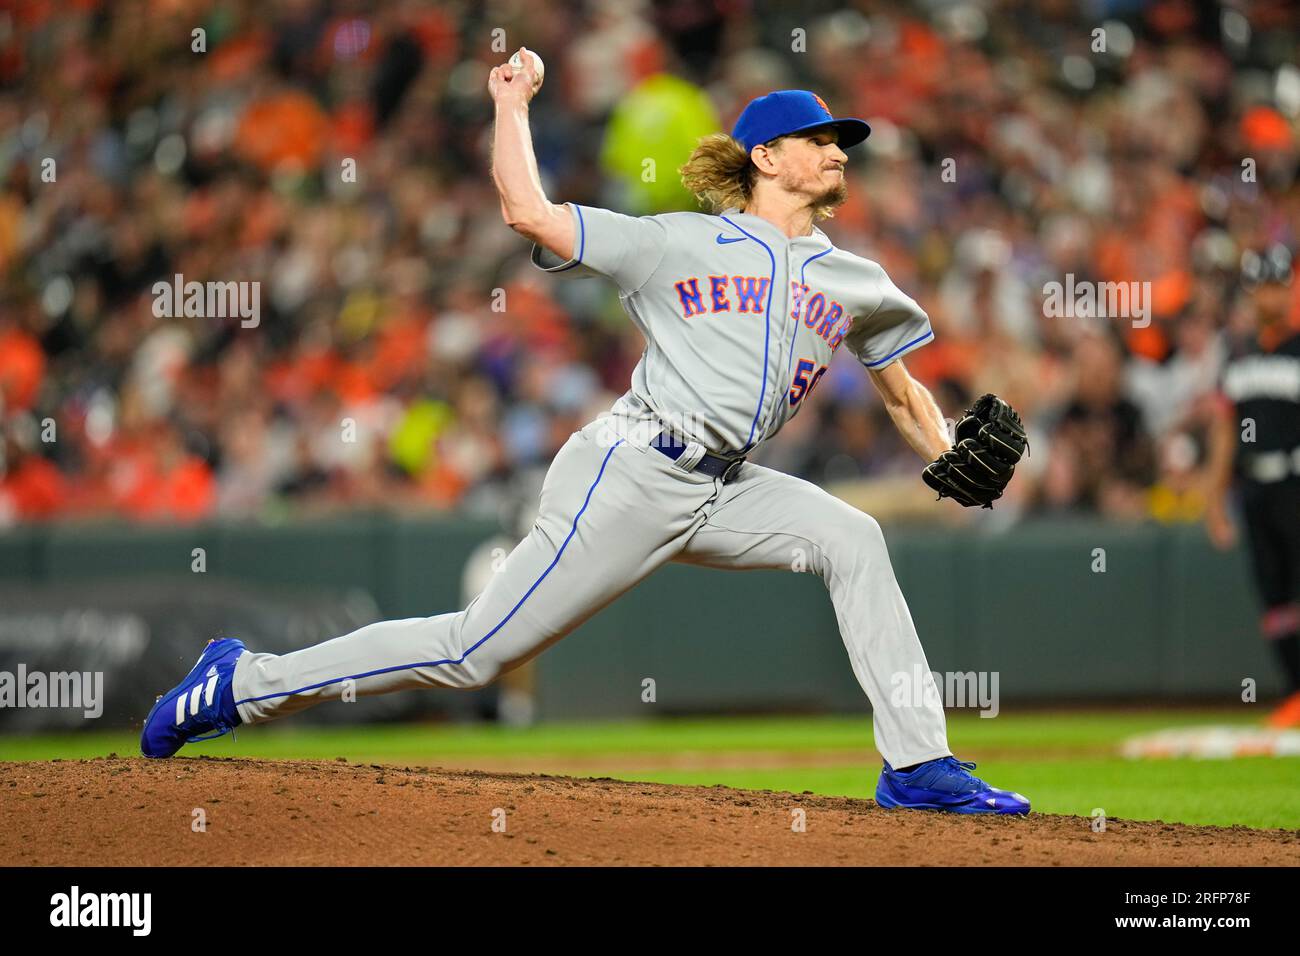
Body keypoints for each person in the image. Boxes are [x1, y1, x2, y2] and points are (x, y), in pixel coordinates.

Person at [141, 49, 1031, 815]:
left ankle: (917, 764)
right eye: (820, 139)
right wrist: (509, 104)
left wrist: (948, 450)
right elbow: (528, 211)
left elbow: (906, 395)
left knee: (854, 538)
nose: (839, 151)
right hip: (633, 470)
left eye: (842, 142)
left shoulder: (857, 281)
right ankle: (241, 683)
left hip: (726, 487)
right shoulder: (673, 243)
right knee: (474, 653)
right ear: (767, 157)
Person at [1205, 245, 1300, 728]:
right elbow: (1225, 429)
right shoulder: (1237, 350)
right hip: (1255, 488)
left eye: (1280, 283)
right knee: (1274, 596)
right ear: (1251, 290)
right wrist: (1214, 501)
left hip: (1295, 481)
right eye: (1264, 284)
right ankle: (1295, 692)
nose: (1272, 293)